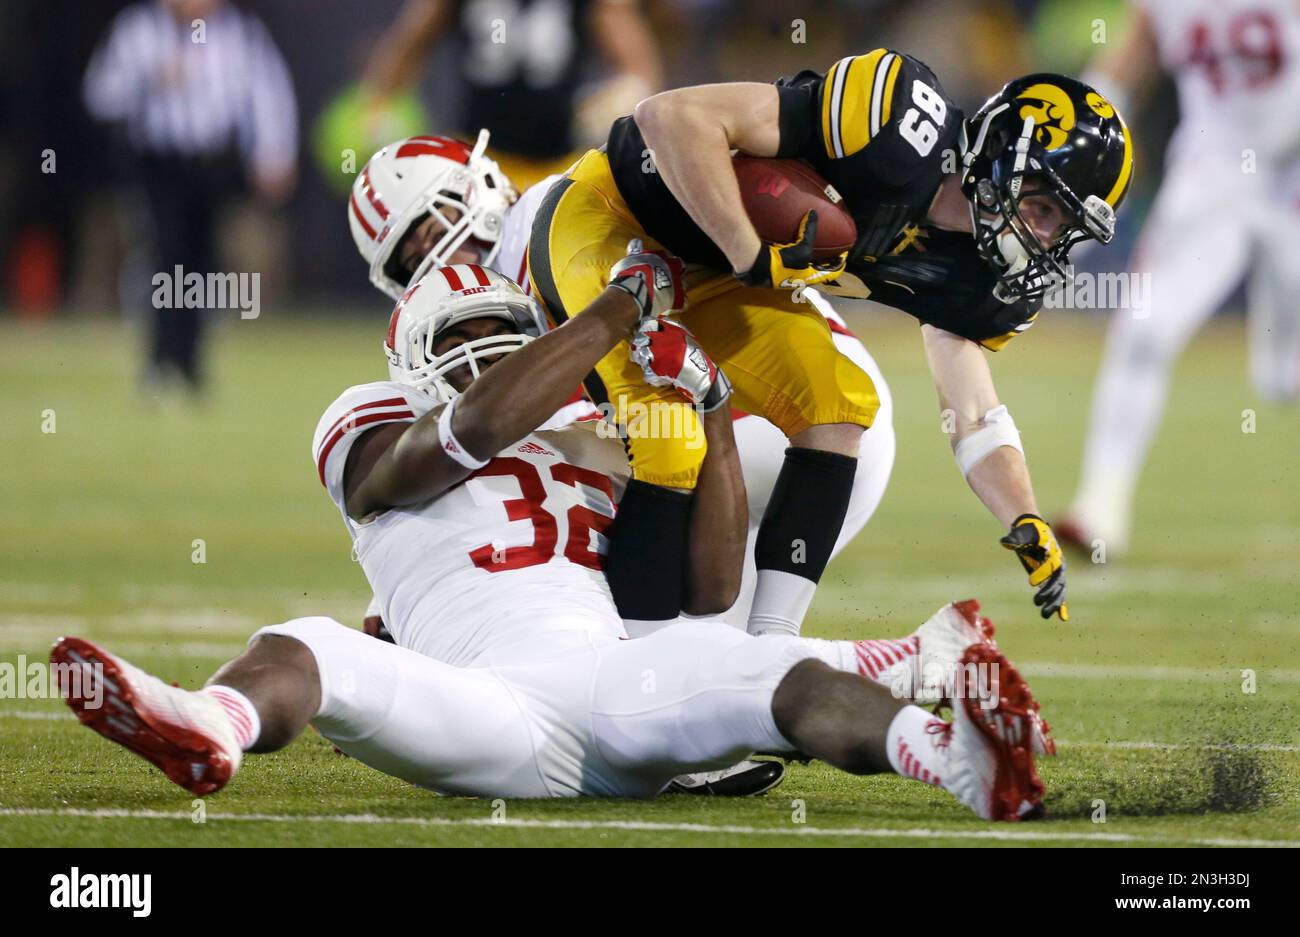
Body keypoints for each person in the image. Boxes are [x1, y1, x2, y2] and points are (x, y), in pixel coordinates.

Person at [54, 253, 1053, 821]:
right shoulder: (372, 424)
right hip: (478, 703)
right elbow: (473, 429)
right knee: (309, 644)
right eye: (462, 339)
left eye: (505, 334)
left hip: (612, 684)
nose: (487, 352)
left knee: (764, 672)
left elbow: (706, 593)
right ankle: (208, 724)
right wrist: (615, 311)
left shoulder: (599, 440)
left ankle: (949, 752)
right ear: (409, 359)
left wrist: (703, 408)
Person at [529, 56, 1134, 631]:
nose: (1046, 238)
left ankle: (772, 648)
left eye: (1065, 226)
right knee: (670, 439)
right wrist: (747, 250)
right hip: (618, 221)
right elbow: (668, 116)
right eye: (1044, 207)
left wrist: (1022, 515)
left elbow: (971, 409)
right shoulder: (895, 123)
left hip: (716, 278)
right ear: (1002, 157)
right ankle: (638, 674)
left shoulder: (980, 272)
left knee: (838, 404)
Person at [347, 133, 895, 639]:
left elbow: (504, 440)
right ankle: (844, 664)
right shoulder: (555, 223)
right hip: (833, 443)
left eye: (432, 225)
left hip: (747, 421)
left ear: (480, 186)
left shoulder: (543, 220)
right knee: (724, 672)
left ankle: (631, 688)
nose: (435, 253)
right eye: (413, 257)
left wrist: (398, 589)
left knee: (556, 469)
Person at [1059, 0, 1300, 557]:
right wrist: (1076, 126)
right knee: (1145, 329)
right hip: (1212, 170)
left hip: (1293, 170)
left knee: (1281, 379)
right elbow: (1125, 64)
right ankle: (1102, 505)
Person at [83, 0, 297, 394]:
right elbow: (100, 94)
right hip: (159, 163)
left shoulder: (239, 32)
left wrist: (274, 151)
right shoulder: (139, 30)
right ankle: (160, 359)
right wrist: (148, 77)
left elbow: (268, 92)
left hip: (211, 164)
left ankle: (190, 362)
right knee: (166, 256)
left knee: (202, 263)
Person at [360, 0, 662, 190]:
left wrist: (625, 93)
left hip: (559, 164)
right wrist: (377, 108)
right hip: (476, 161)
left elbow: (637, 64)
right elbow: (410, 43)